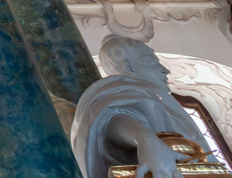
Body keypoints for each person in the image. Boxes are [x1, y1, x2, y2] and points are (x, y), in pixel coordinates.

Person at [72, 35, 211, 178]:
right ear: (129, 67)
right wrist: (145, 139)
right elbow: (111, 116)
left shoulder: (155, 99)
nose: (165, 70)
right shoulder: (124, 92)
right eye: (150, 61)